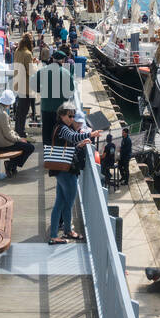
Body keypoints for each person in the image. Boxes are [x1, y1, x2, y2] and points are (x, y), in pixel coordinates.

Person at [48, 102, 100, 244]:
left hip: (61, 170)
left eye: (73, 116)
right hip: (66, 171)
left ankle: (63, 232)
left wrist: (80, 144)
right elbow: (73, 137)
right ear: (62, 115)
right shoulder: (63, 128)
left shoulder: (60, 127)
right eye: (70, 116)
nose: (72, 119)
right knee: (66, 203)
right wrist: (91, 134)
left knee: (60, 202)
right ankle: (59, 234)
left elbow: (70, 143)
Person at [0, 89, 34, 176]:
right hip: (2, 143)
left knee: (23, 143)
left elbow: (7, 131)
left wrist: (18, 138)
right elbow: (8, 134)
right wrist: (20, 139)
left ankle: (12, 167)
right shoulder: (3, 114)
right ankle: (10, 165)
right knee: (30, 147)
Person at [38, 48, 74, 146]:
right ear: (62, 60)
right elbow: (71, 90)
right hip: (60, 109)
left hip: (46, 107)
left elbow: (37, 88)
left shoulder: (43, 70)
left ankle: (47, 154)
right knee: (58, 132)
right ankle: (56, 156)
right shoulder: (66, 73)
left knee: (46, 131)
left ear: (53, 59)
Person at [12, 33, 35, 137]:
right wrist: (35, 65)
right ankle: (21, 132)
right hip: (26, 86)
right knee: (24, 110)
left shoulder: (17, 51)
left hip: (18, 83)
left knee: (19, 110)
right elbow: (30, 72)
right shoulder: (28, 53)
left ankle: (18, 130)